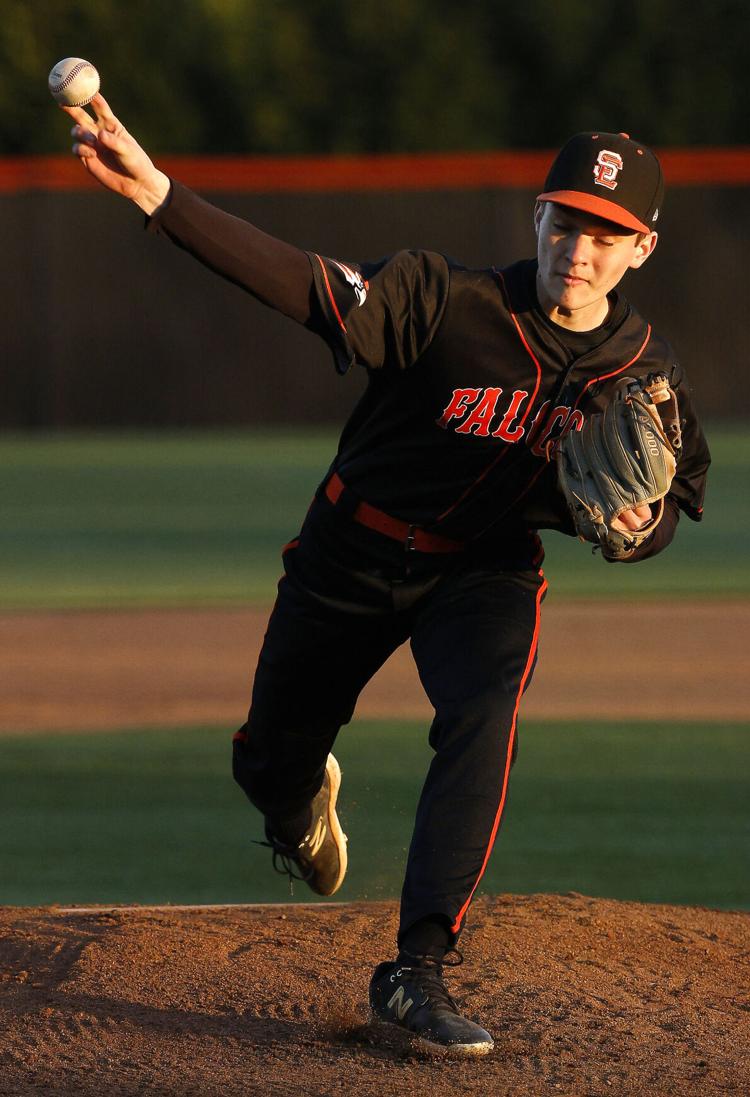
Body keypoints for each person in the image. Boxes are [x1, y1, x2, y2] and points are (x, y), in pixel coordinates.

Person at [63, 98, 710, 1056]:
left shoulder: (643, 377)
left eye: (608, 232)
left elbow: (678, 496)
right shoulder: (444, 301)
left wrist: (639, 525)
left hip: (485, 571)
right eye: (568, 220)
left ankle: (416, 968)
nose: (582, 246)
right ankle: (297, 800)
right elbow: (306, 286)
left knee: (487, 705)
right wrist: (162, 196)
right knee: (267, 764)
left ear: (642, 248)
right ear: (538, 216)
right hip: (351, 552)